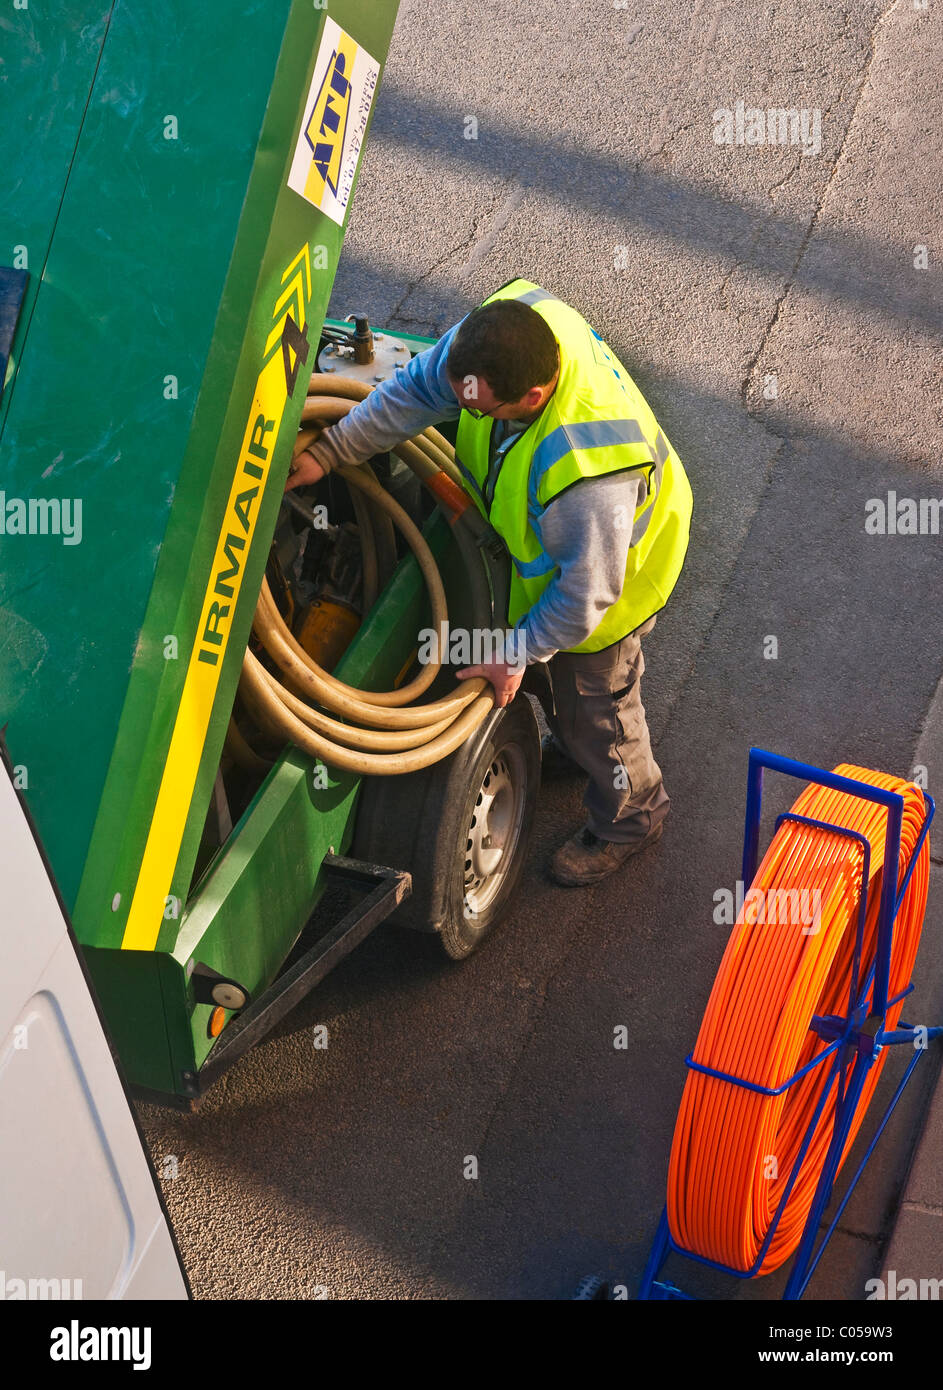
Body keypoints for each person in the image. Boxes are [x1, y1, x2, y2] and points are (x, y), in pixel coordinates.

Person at [286, 279, 692, 885]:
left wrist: (514, 653)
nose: (465, 413)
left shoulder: (585, 475)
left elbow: (584, 598)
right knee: (559, 691)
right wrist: (333, 450)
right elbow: (417, 392)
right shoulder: (498, 336)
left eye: (481, 411)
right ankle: (575, 744)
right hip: (561, 563)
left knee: (597, 705)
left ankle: (631, 817)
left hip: (615, 582)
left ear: (532, 394)